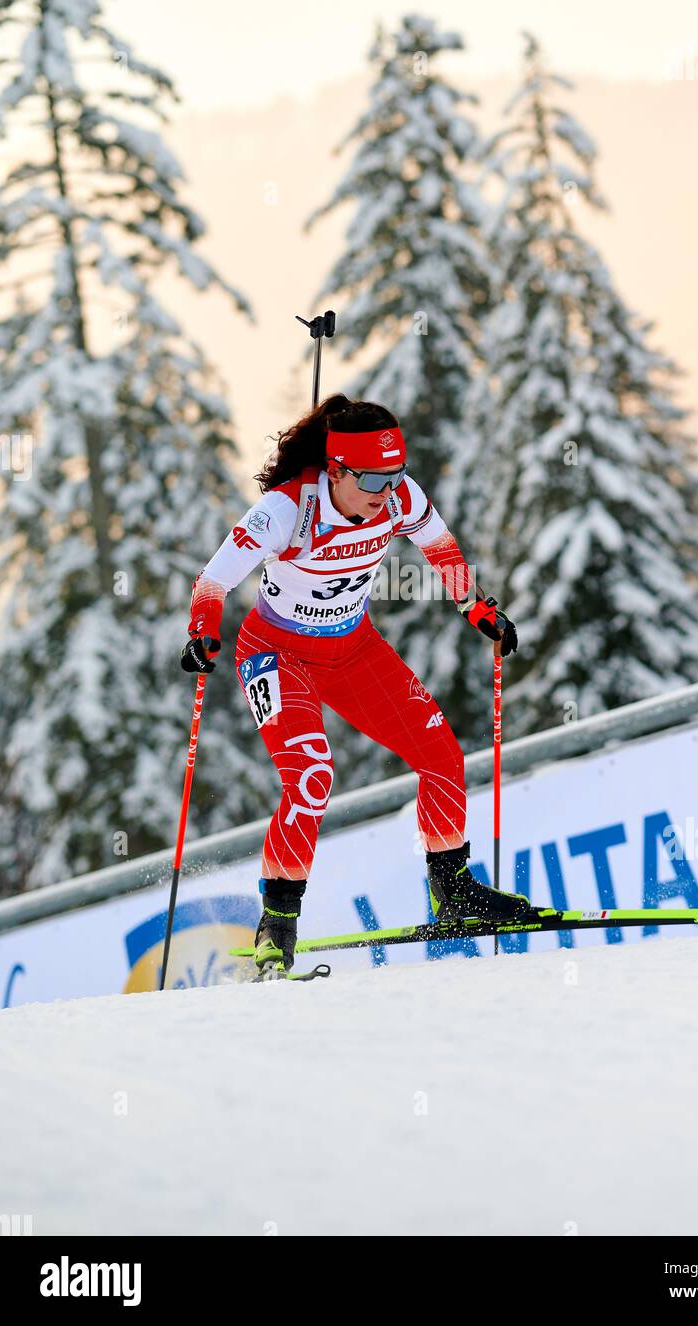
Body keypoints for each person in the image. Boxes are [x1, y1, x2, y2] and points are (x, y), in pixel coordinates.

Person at [181, 393, 531, 974]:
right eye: (373, 478)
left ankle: (453, 891)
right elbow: (212, 581)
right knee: (313, 777)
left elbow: (442, 551)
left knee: (441, 752)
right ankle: (277, 923)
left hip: (354, 649)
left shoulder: (399, 499)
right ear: (337, 470)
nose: (387, 492)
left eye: (396, 475)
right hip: (277, 655)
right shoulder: (285, 511)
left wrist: (476, 608)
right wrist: (203, 633)